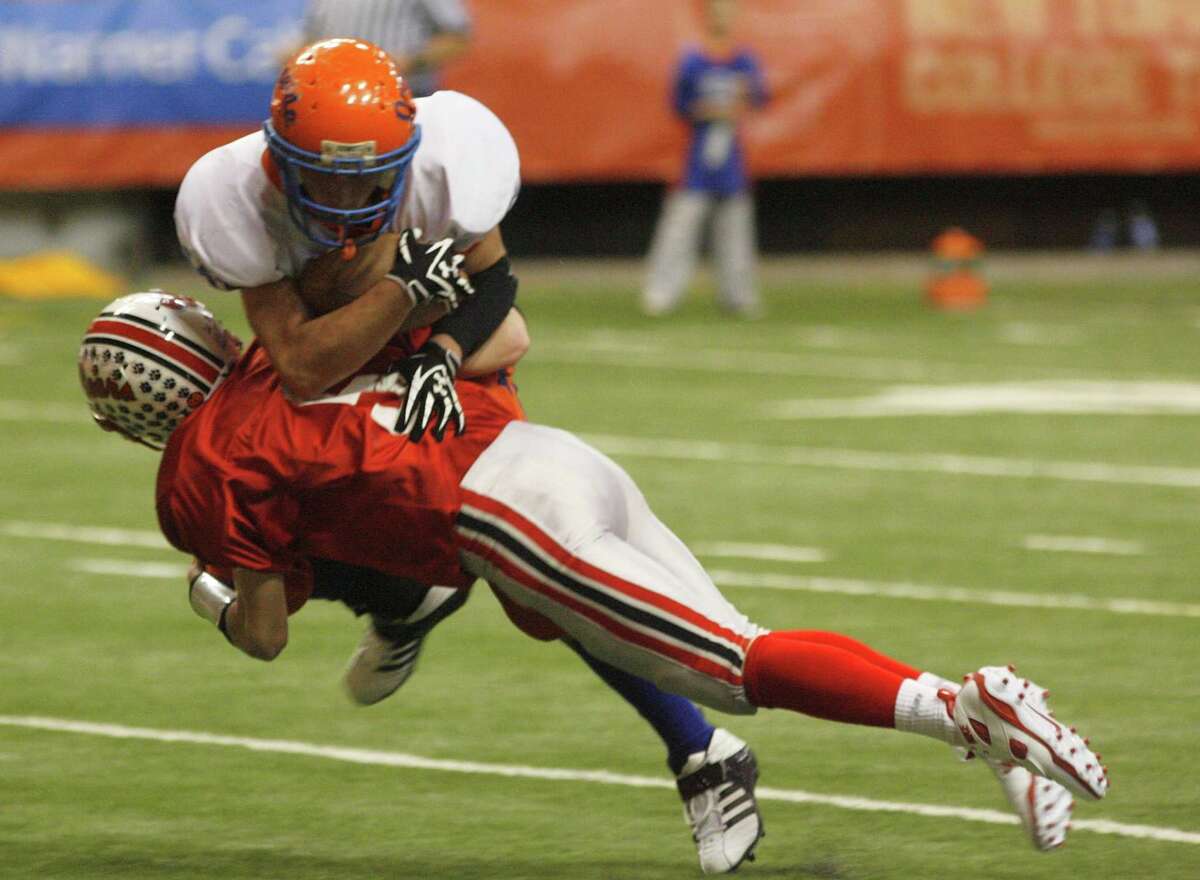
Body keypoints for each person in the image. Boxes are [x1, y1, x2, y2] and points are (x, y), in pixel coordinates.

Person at [79, 293, 1106, 863]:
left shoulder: (201, 462)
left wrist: (209, 591)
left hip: (508, 523)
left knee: (738, 665)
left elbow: (263, 632)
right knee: (732, 631)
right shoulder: (291, 339)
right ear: (196, 332)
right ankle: (990, 747)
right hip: (556, 457)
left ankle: (966, 711)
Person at [173, 38, 765, 872]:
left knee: (550, 582)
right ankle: (405, 601)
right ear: (279, 160)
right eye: (325, 174)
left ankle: (701, 752)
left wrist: (442, 349)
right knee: (282, 503)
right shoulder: (238, 199)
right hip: (332, 374)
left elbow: (495, 288)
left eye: (370, 175)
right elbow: (302, 366)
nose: (347, 196)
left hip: (433, 376)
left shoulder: (448, 164)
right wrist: (404, 292)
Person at [642, 0, 769, 318]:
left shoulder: (744, 60)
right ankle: (661, 291)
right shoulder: (693, 61)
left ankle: (738, 295)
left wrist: (742, 99)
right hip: (698, 160)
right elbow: (680, 104)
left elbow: (758, 97)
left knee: (735, 230)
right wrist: (710, 110)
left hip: (731, 158)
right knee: (681, 228)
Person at [300, 0, 472, 97]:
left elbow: (456, 38)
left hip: (400, 99)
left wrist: (410, 62)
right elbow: (313, 37)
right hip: (331, 100)